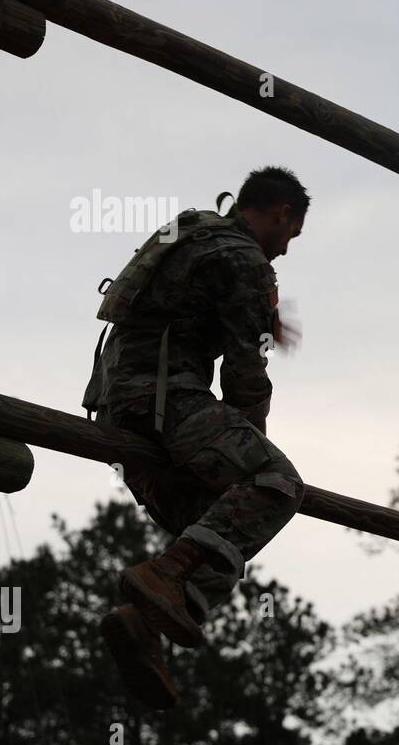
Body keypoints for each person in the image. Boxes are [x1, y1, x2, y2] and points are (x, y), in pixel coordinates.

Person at [83, 165, 309, 709]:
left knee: (217, 519)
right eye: (290, 235)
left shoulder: (194, 232)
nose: (284, 251)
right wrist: (248, 445)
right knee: (274, 483)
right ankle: (163, 577)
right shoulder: (243, 259)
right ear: (280, 213)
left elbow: (174, 311)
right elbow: (244, 375)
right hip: (164, 403)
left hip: (118, 408)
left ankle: (145, 624)